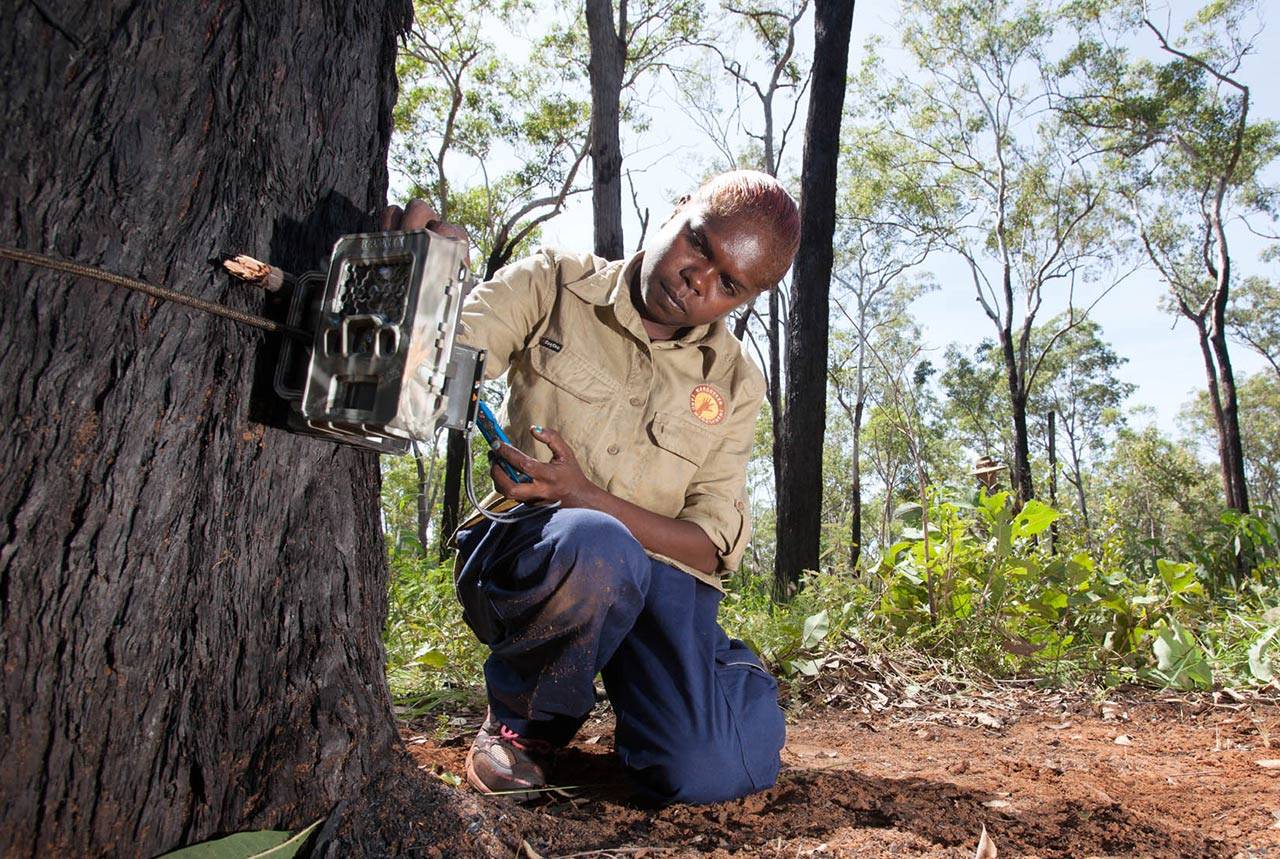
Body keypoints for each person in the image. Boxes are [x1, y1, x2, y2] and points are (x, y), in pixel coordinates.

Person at [382, 170, 801, 805]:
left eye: (729, 285)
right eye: (700, 247)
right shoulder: (553, 282)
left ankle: (715, 680)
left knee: (709, 771)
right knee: (597, 545)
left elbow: (711, 545)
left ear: (745, 299)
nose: (699, 281)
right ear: (679, 207)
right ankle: (525, 729)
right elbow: (439, 363)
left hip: (663, 582)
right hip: (534, 555)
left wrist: (590, 497)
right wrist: (412, 285)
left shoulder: (738, 382)